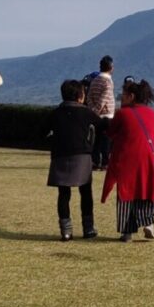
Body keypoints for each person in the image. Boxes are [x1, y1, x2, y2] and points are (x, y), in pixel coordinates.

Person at [104, 77, 154, 242]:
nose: (121, 97)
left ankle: (127, 232)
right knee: (147, 189)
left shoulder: (122, 113)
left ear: (131, 96)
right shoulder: (152, 113)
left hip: (127, 158)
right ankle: (149, 223)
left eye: (123, 94)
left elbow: (111, 133)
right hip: (148, 158)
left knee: (126, 192)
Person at [46, 79, 104, 240]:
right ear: (80, 96)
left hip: (60, 156)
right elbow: (102, 127)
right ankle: (88, 228)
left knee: (63, 194)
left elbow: (41, 132)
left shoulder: (55, 113)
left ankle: (66, 231)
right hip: (82, 156)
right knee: (86, 192)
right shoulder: (86, 112)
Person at [82, 56, 116, 168]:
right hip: (106, 115)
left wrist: (93, 110)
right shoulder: (108, 81)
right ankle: (105, 162)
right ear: (111, 67)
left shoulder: (95, 79)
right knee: (106, 140)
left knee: (96, 140)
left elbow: (89, 97)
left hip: (95, 115)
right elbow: (104, 98)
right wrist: (97, 110)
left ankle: (95, 161)